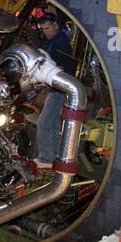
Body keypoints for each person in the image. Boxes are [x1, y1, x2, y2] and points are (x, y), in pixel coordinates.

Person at [35, 12, 75, 170]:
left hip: (58, 89)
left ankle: (46, 158)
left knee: (44, 123)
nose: (46, 32)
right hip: (59, 89)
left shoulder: (60, 42)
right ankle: (54, 157)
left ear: (56, 26)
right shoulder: (57, 41)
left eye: (48, 28)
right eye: (43, 29)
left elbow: (64, 67)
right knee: (53, 125)